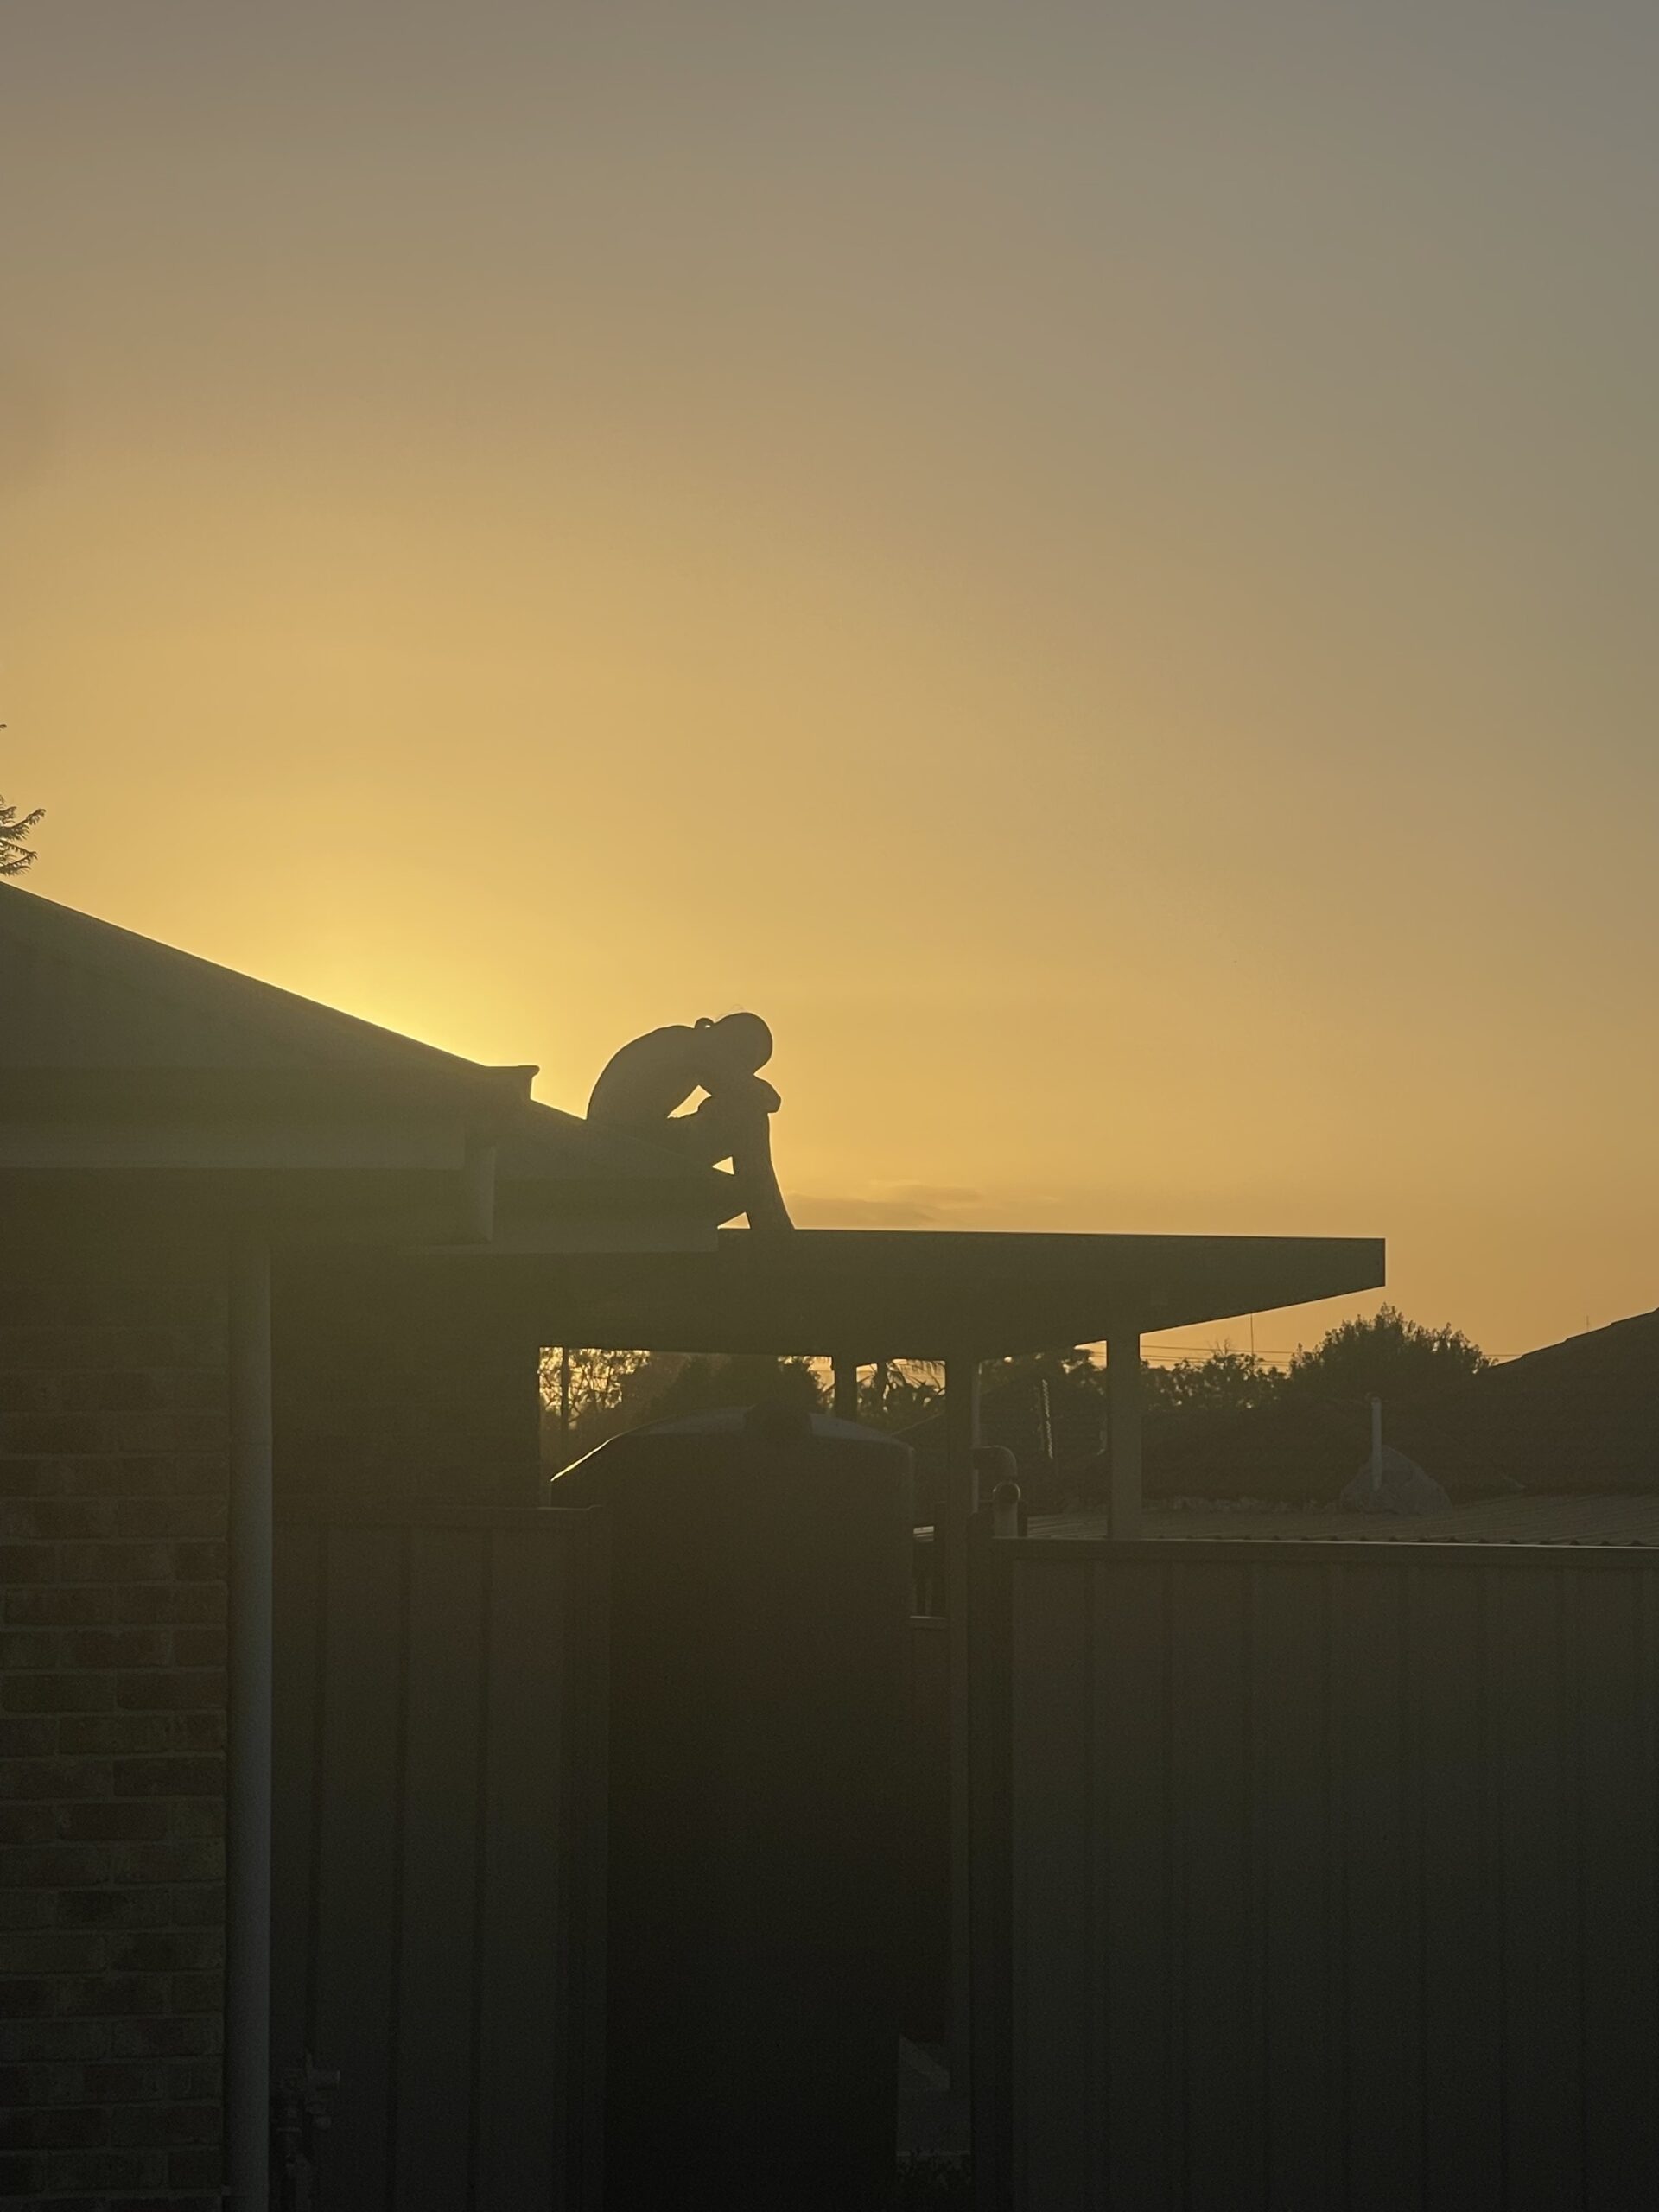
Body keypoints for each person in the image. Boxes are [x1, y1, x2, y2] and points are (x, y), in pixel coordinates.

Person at [586, 1012, 794, 1232]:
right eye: (746, 1063)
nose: (743, 1070)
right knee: (749, 1120)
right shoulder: (698, 1047)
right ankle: (772, 1226)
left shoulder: (683, 1041)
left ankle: (770, 1222)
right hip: (624, 1149)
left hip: (627, 1141)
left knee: (743, 1113)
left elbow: (738, 1088)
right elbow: (757, 1095)